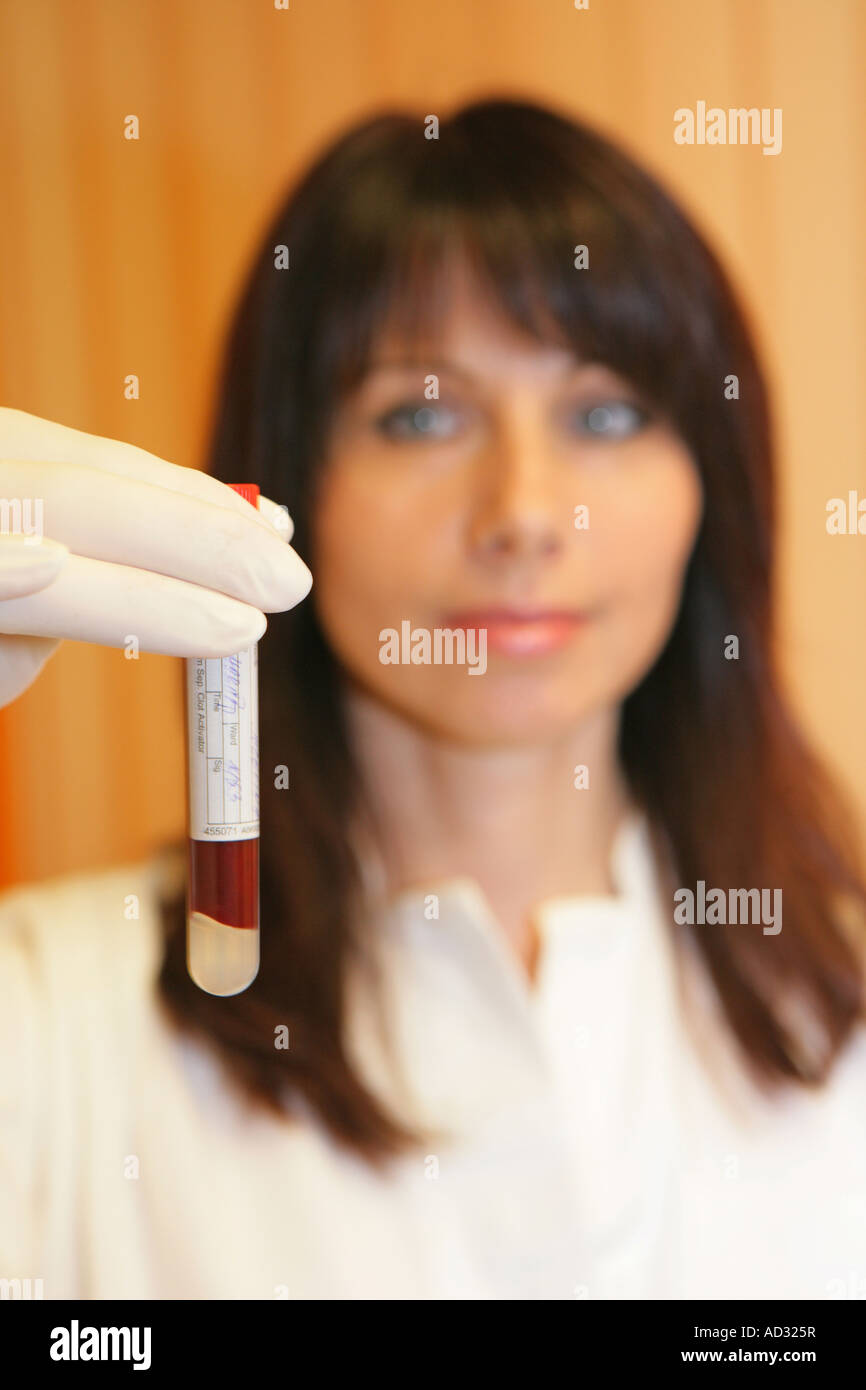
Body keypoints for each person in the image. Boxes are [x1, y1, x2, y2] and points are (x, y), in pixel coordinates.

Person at [1, 98, 865, 1301]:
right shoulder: (46, 1017)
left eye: (603, 411)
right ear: (285, 473)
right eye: (420, 412)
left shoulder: (839, 1006)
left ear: (709, 487)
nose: (520, 512)